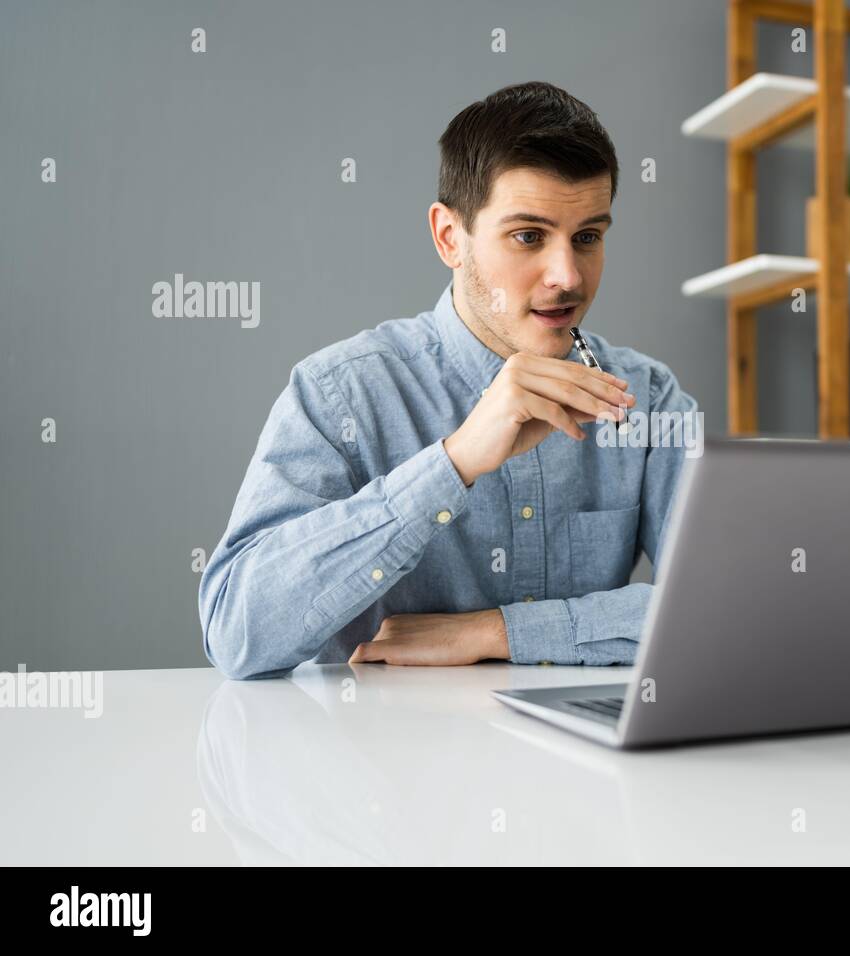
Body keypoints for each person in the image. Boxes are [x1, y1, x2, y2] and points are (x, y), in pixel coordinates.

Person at [198, 81, 698, 679]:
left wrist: (495, 633)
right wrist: (453, 464)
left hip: (584, 763)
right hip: (388, 762)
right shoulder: (341, 393)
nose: (567, 276)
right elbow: (235, 630)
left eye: (587, 237)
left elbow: (730, 602)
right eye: (529, 236)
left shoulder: (649, 397)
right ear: (448, 238)